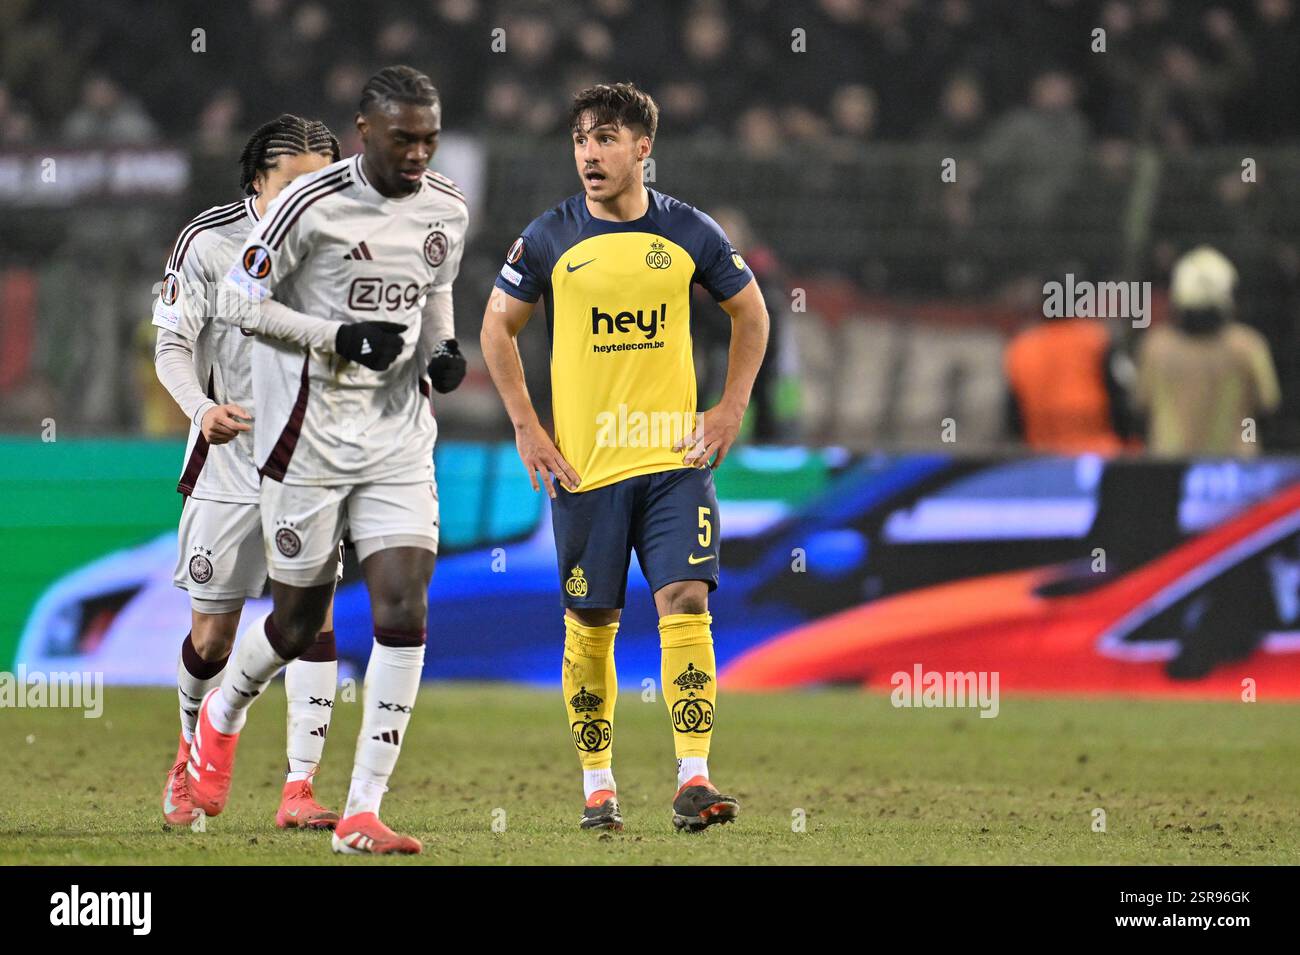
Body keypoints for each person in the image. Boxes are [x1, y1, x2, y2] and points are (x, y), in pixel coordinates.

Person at [186, 66, 469, 856]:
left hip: (398, 442)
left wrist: (444, 348)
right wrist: (335, 337)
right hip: (305, 444)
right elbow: (242, 307)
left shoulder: (448, 204)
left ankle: (362, 810)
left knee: (404, 607)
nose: (418, 153)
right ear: (365, 132)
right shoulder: (304, 208)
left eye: (429, 139)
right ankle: (224, 712)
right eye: (404, 138)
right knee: (299, 621)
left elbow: (438, 285)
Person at [480, 82, 768, 832]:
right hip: (585, 470)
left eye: (606, 138)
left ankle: (695, 775)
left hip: (675, 462)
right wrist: (527, 427)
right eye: (580, 139)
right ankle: (599, 784)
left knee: (687, 601)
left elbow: (753, 311)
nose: (589, 153)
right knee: (592, 620)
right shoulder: (548, 237)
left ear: (643, 147)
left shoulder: (689, 231)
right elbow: (495, 329)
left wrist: (730, 405)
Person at [151, 115, 343, 831]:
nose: (310, 196)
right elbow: (173, 343)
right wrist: (201, 409)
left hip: (311, 463)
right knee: (213, 637)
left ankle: (299, 788)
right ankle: (190, 747)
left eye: (322, 181)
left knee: (312, 618)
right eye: (294, 182)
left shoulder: (343, 242)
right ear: (258, 181)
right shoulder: (207, 241)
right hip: (228, 461)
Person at [1135, 245, 1280, 458]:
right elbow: (1263, 410)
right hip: (1226, 465)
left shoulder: (1156, 346)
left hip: (1174, 464)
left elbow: (1140, 409)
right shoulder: (1247, 345)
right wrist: (1247, 438)